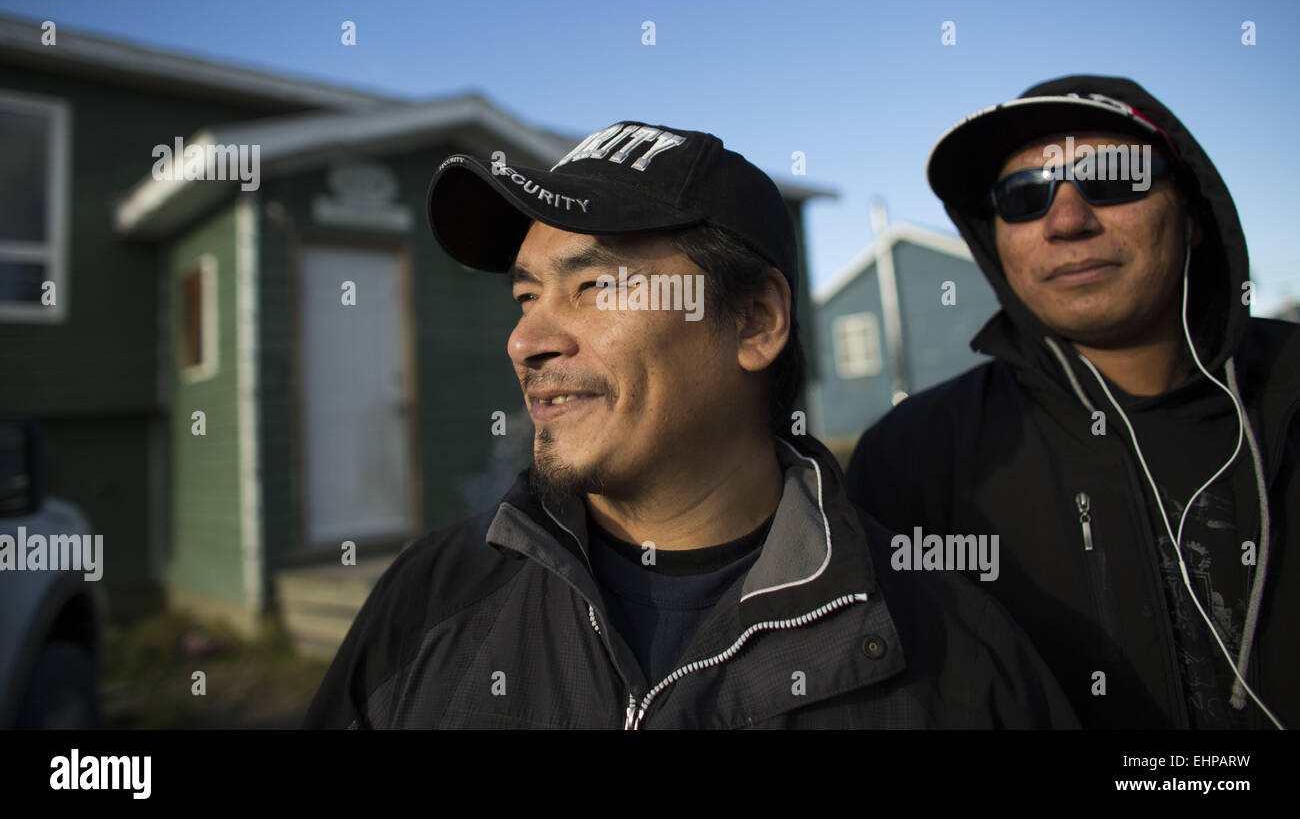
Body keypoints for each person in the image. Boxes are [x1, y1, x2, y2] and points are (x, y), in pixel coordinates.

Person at [304, 120, 1077, 729]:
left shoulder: (953, 651)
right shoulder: (432, 597)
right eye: (526, 297)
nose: (527, 341)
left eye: (597, 284)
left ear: (755, 320)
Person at [846, 76, 1299, 730]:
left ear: (1193, 213)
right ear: (994, 241)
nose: (1066, 220)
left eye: (1114, 179)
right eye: (1023, 198)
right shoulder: (912, 455)